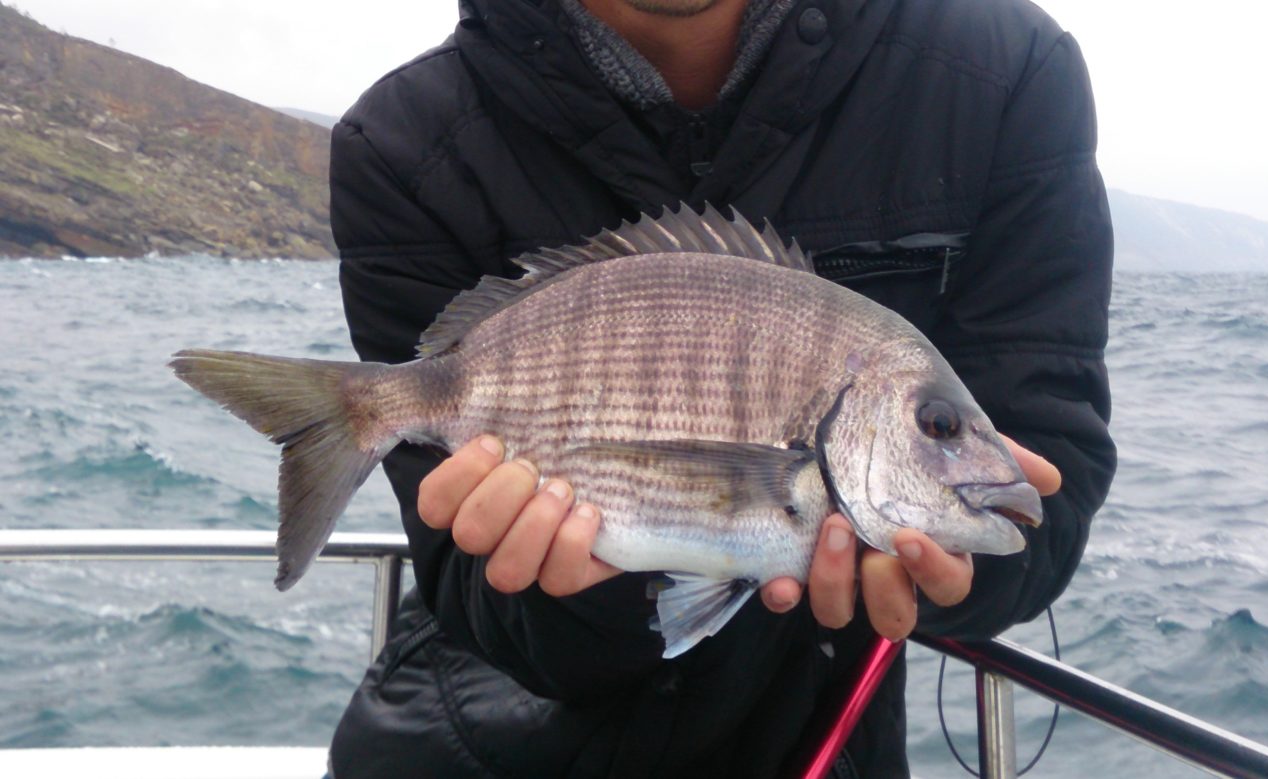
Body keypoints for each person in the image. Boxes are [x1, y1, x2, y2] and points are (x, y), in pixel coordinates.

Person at [326, 0, 1115, 775]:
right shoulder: (398, 147)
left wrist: (947, 578)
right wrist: (579, 597)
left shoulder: (1007, 75)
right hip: (474, 744)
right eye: (937, 424)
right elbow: (468, 588)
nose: (942, 436)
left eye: (934, 425)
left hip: (824, 746)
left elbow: (1041, 496)